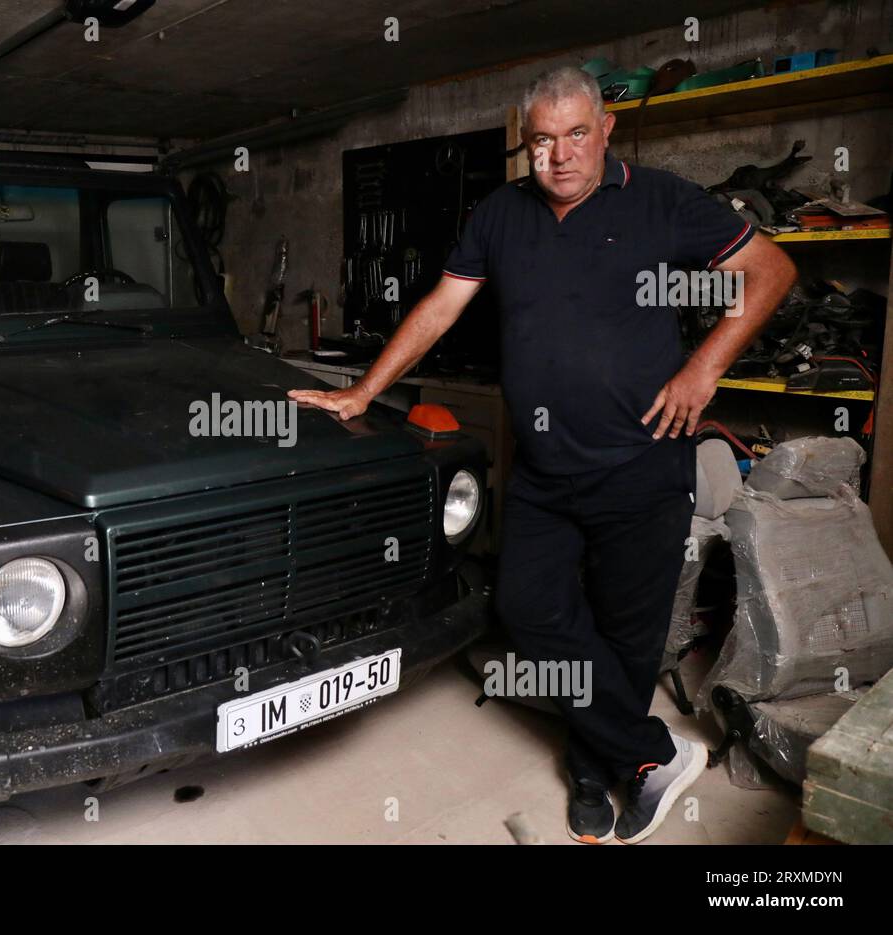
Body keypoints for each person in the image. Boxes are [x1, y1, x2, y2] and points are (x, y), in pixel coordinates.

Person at [289, 65, 796, 843]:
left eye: (576, 135)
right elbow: (440, 307)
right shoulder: (500, 213)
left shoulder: (663, 201)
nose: (558, 156)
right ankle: (651, 754)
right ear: (526, 143)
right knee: (526, 609)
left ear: (607, 129)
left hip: (644, 465)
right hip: (547, 471)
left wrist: (705, 367)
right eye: (540, 141)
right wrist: (363, 391)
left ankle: (595, 776)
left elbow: (771, 270)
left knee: (627, 641)